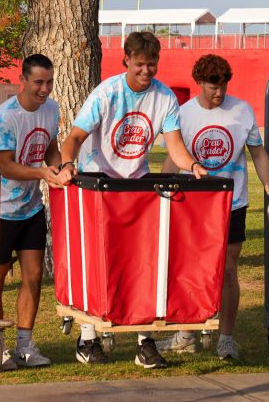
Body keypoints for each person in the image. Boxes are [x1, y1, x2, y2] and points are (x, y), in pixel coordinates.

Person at [55, 31, 207, 369]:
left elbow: (175, 146)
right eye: (140, 64)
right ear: (126, 60)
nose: (146, 70)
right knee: (98, 262)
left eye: (152, 64)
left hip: (138, 186)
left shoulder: (164, 97)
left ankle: (145, 342)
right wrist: (67, 165)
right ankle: (88, 340)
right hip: (99, 184)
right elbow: (74, 137)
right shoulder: (106, 93)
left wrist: (193, 165)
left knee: (145, 263)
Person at [156, 54, 269, 360]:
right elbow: (172, 158)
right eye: (213, 86)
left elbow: (259, 155)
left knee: (228, 270)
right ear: (200, 82)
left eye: (223, 85)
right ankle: (186, 334)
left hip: (232, 203)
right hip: (191, 204)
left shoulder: (241, 110)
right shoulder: (182, 114)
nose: (219, 91)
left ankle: (226, 338)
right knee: (188, 270)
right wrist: (160, 197)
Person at [0, 54, 63, 370]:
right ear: (23, 80)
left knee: (34, 275)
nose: (45, 89)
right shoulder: (4, 117)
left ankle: (25, 346)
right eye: (39, 82)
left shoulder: (51, 109)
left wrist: (61, 168)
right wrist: (43, 173)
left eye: (49, 82)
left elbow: (50, 148)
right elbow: (7, 166)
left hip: (31, 207)